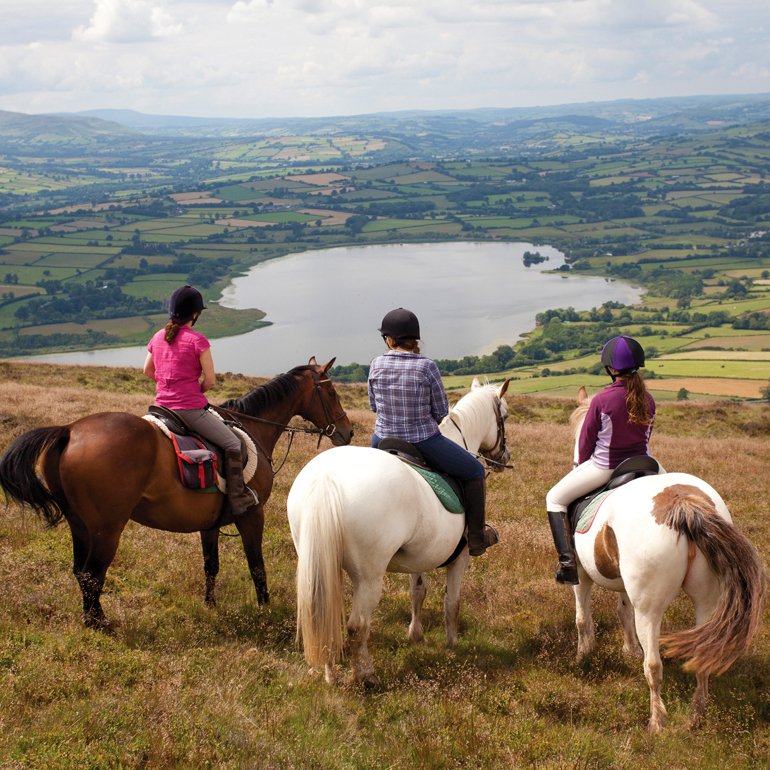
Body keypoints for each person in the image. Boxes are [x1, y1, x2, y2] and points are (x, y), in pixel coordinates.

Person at [367, 307, 499, 556]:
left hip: (382, 438)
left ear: (390, 339)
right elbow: (440, 412)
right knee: (474, 471)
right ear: (414, 340)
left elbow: (374, 405)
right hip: (422, 440)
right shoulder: (426, 366)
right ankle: (477, 537)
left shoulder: (376, 364)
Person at [545, 335, 656, 584]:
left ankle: (568, 565)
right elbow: (648, 435)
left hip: (606, 467)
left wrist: (581, 466)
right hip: (646, 463)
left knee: (553, 498)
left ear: (611, 368)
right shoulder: (648, 399)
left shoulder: (601, 400)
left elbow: (585, 444)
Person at [143, 285, 255, 516]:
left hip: (161, 409)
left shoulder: (157, 336)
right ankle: (238, 498)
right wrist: (195, 389)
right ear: (195, 314)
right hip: (189, 410)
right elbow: (211, 381)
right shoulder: (198, 341)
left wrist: (167, 383)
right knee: (233, 444)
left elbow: (147, 370)